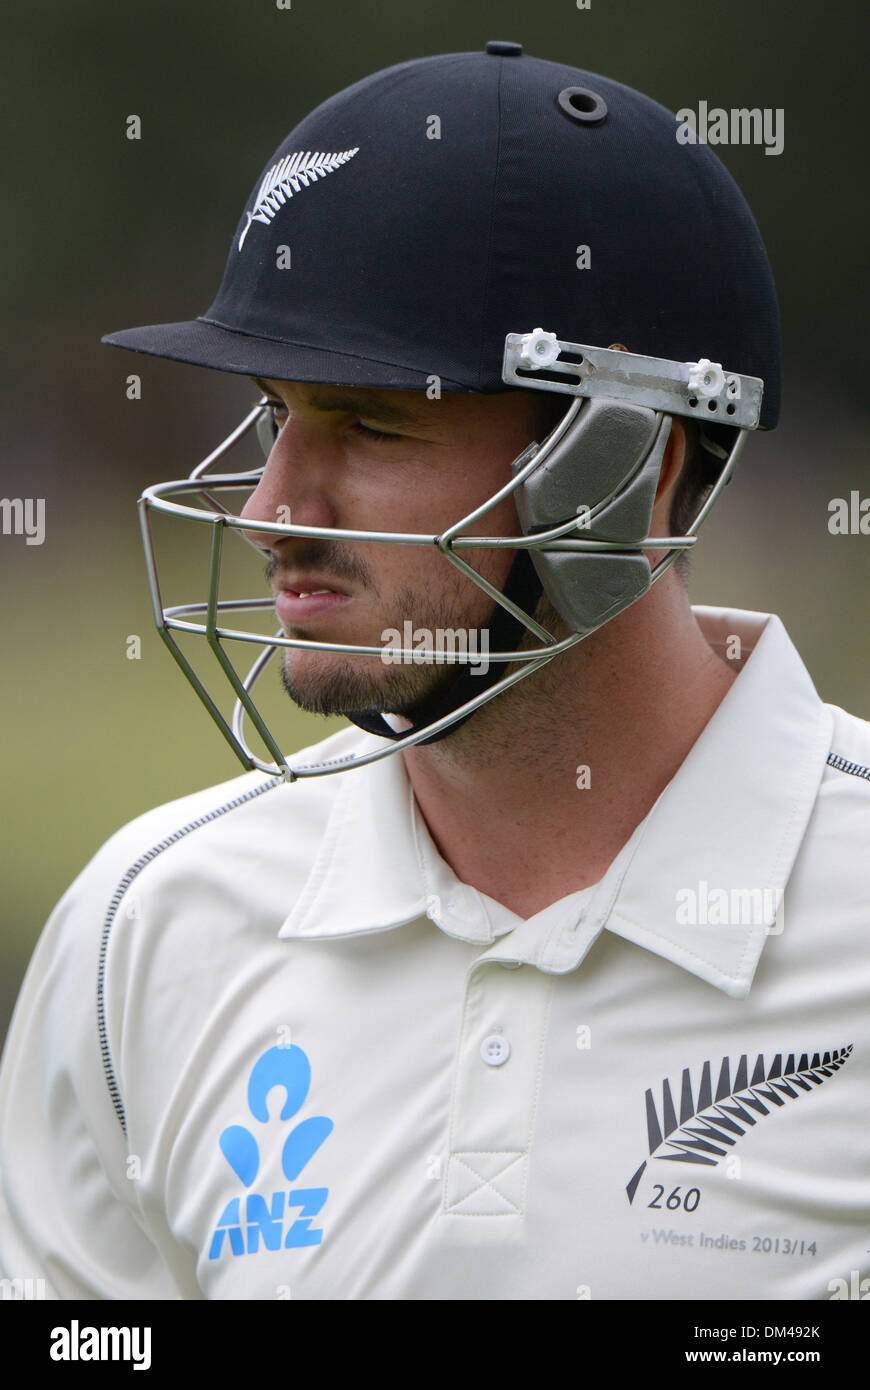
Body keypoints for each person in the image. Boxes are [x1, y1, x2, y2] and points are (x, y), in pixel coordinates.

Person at [1, 42, 868, 1302]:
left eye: (372, 424)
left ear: (631, 468)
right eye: (277, 415)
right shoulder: (150, 922)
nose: (272, 509)